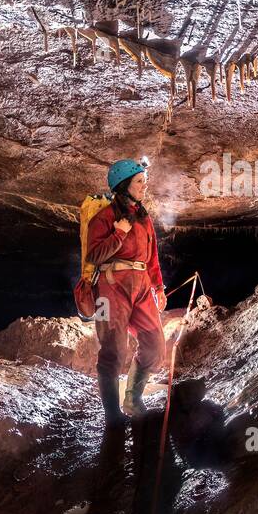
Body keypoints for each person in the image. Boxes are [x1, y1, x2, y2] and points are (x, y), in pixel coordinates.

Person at [86, 159, 167, 427]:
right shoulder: (103, 218)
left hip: (142, 285)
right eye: (139, 182)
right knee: (113, 350)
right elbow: (94, 255)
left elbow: (152, 258)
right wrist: (118, 233)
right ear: (124, 186)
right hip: (110, 287)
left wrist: (158, 287)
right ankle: (112, 415)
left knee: (155, 343)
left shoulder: (144, 219)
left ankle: (132, 399)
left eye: (144, 181)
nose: (145, 187)